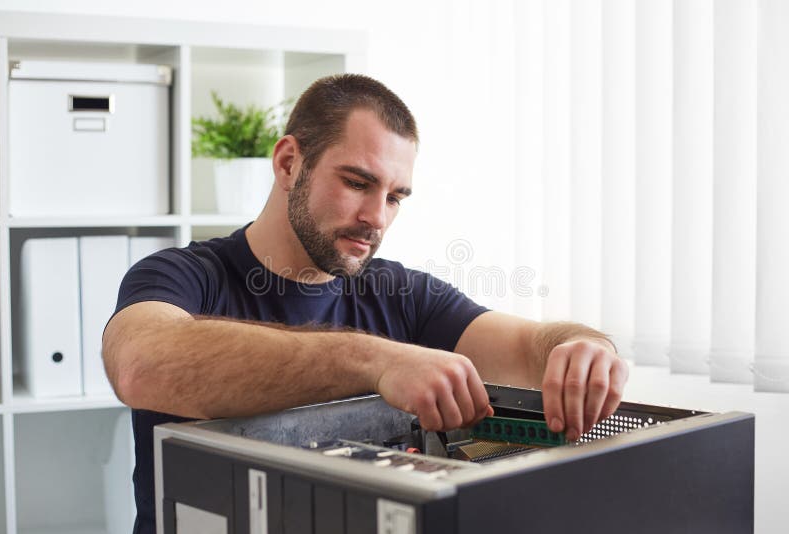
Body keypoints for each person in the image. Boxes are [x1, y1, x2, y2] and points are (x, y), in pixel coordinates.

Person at [102, 73, 628, 534]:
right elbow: (141, 364)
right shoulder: (183, 276)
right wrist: (375, 360)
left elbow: (529, 348)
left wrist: (583, 345)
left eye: (396, 197)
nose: (377, 217)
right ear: (289, 164)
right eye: (358, 183)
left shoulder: (403, 295)